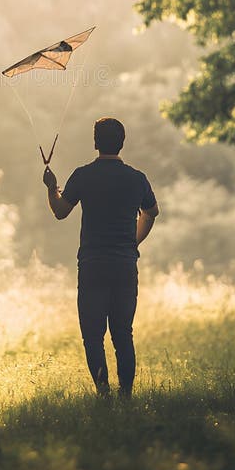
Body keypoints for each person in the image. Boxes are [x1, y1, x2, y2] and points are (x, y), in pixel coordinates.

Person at [42, 117, 158, 397]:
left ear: (95, 143)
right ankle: (126, 395)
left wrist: (51, 187)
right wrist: (132, 241)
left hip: (92, 266)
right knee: (123, 334)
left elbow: (60, 211)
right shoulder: (137, 178)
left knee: (93, 336)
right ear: (122, 142)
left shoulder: (83, 176)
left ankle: (104, 394)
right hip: (125, 266)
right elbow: (151, 212)